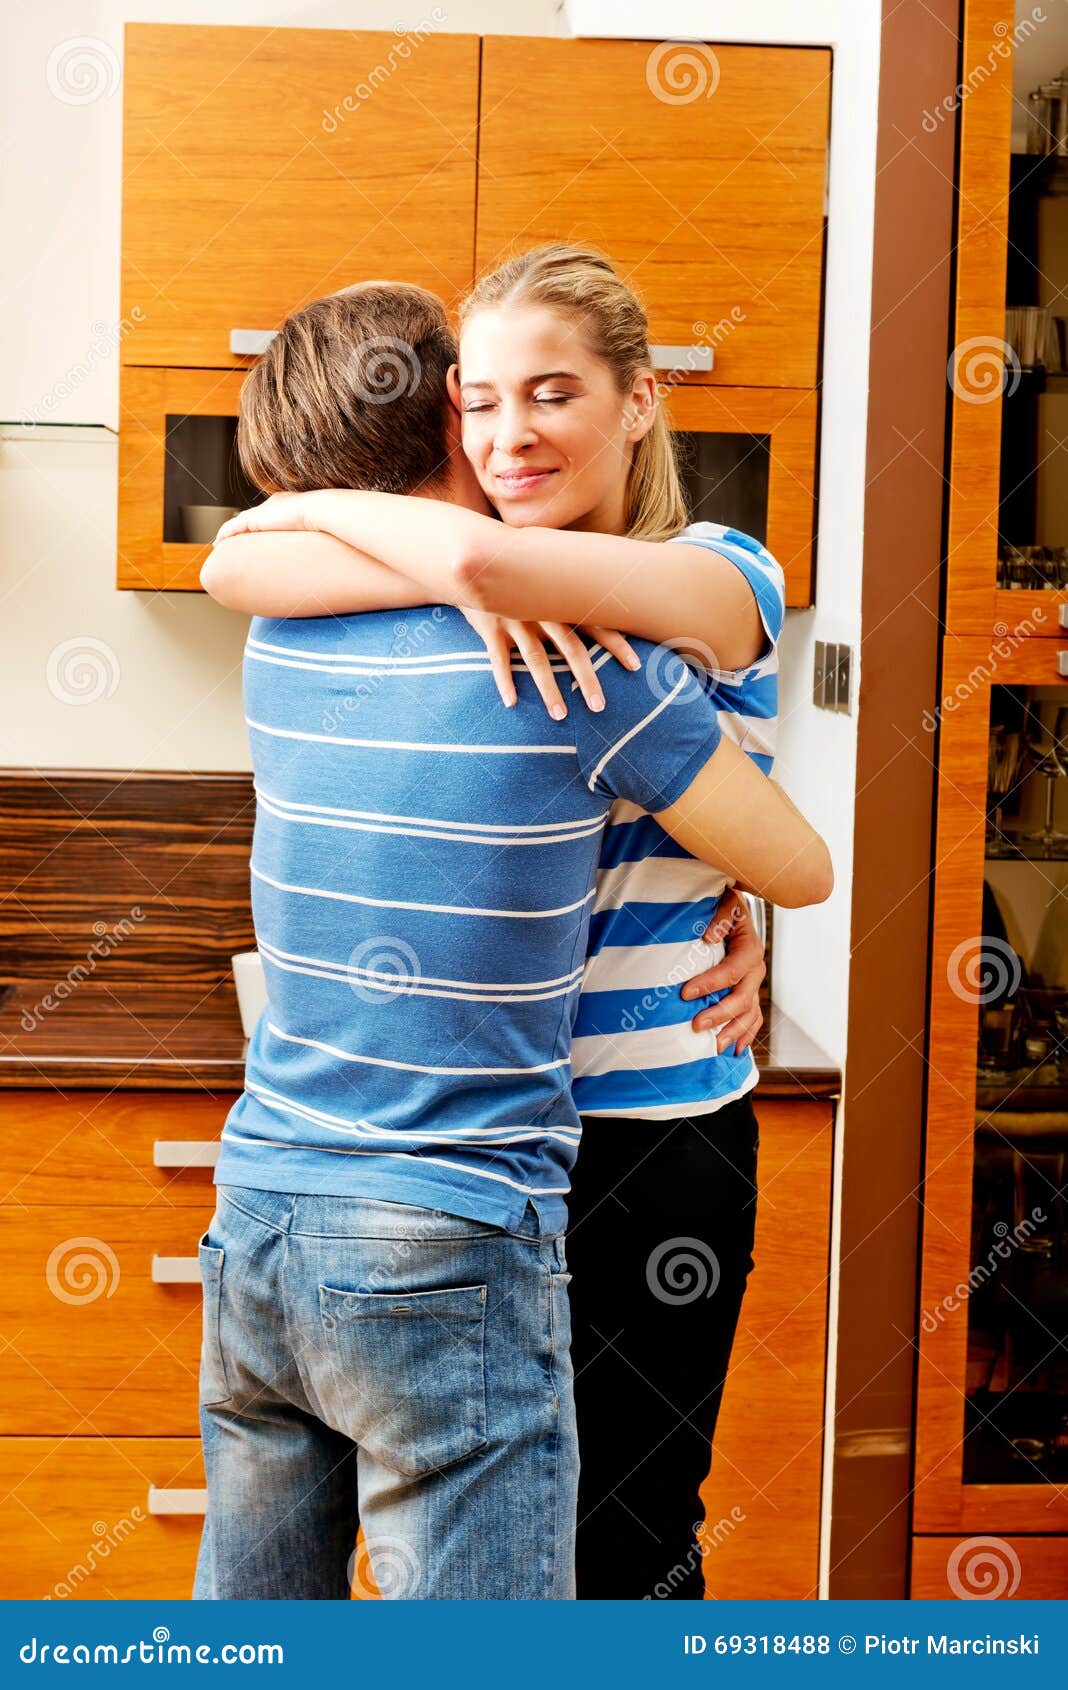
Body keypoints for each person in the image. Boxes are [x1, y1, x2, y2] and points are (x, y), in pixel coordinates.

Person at [202, 253, 830, 1599]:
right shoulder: (453, 594)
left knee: (628, 1539)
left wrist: (338, 514)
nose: (509, 434)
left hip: (642, 1129)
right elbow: (239, 563)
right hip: (487, 1160)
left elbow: (783, 854)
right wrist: (395, 541)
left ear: (640, 400)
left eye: (553, 393)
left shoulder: (710, 572)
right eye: (478, 402)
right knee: (507, 1555)